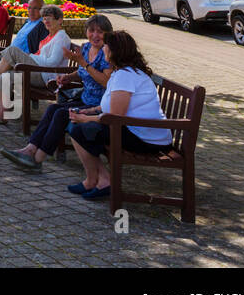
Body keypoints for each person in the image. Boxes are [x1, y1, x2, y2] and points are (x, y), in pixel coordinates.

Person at [66, 30, 177, 200]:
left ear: (114, 51)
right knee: (77, 126)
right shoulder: (123, 72)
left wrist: (85, 119)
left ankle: (100, 181)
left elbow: (115, 116)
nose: (103, 49)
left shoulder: (125, 76)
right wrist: (90, 111)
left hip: (147, 139)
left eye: (106, 46)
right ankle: (96, 180)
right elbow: (112, 106)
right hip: (140, 130)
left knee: (80, 128)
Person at [0, 14, 113, 165]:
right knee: (53, 109)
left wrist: (84, 64)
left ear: (107, 33)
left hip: (99, 104)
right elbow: (82, 73)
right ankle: (30, 149)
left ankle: (38, 159)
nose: (95, 35)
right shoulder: (86, 48)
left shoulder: (108, 53)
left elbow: (106, 82)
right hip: (85, 98)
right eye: (91, 30)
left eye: (100, 32)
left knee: (60, 114)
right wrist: (69, 77)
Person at [0, 5, 73, 93]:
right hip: (40, 71)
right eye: (44, 19)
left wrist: (30, 57)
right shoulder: (50, 36)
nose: (46, 21)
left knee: (12, 51)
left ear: (59, 20)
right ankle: (3, 112)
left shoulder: (61, 38)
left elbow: (52, 63)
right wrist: (31, 57)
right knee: (6, 75)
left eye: (49, 18)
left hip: (47, 77)